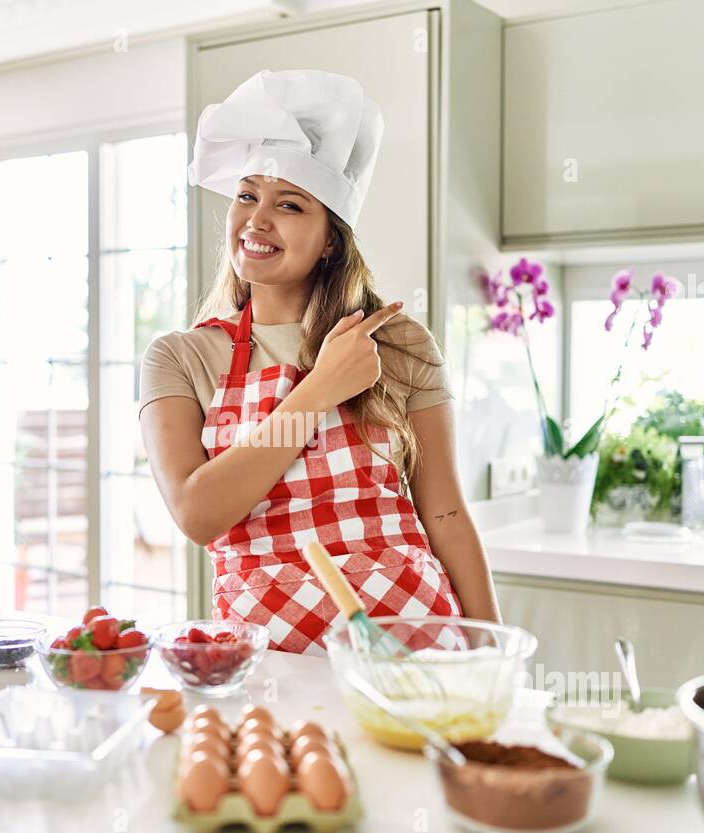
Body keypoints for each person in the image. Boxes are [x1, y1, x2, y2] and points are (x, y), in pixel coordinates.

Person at [139, 69, 500, 654]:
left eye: (290, 204)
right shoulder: (181, 358)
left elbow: (448, 515)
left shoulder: (398, 342)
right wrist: (317, 390)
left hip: (416, 641)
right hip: (271, 659)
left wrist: (492, 657)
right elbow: (198, 512)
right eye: (247, 195)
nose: (256, 220)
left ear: (332, 238)